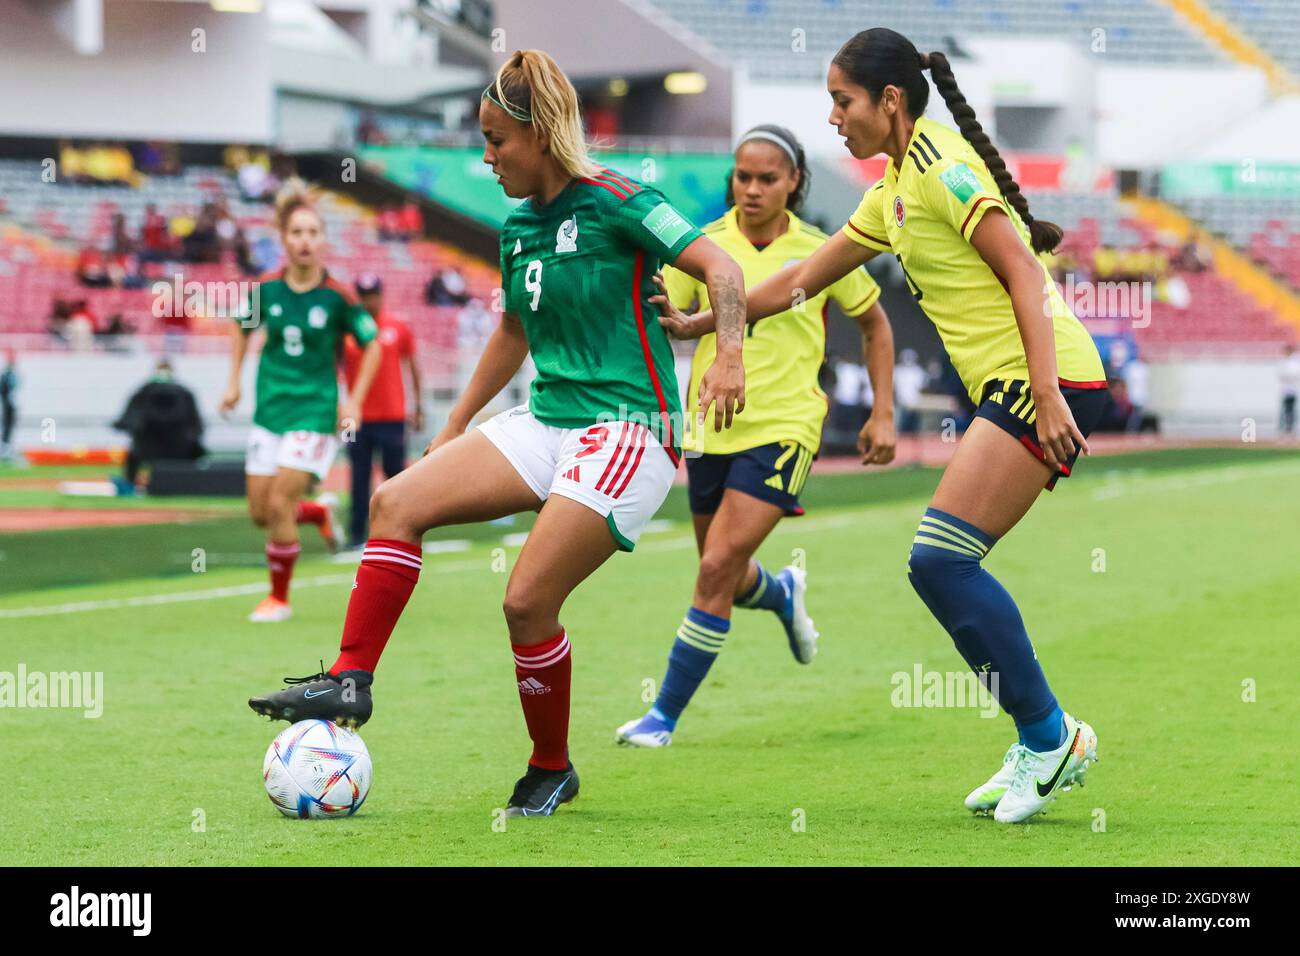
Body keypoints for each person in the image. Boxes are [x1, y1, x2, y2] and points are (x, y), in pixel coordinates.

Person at [247, 48, 748, 817]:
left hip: (629, 431)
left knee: (525, 601)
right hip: (549, 420)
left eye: (496, 141)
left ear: (541, 134)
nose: (486, 157)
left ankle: (551, 768)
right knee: (394, 503)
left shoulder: (620, 200)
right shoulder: (516, 226)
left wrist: (729, 359)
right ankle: (350, 676)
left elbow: (721, 268)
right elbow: (514, 329)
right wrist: (454, 425)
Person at [657, 28, 1108, 824]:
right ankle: (1043, 736)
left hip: (1047, 378)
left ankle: (1049, 737)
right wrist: (704, 324)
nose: (833, 118)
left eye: (843, 101)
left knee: (940, 558)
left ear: (889, 102)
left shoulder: (943, 168)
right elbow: (798, 279)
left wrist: (1043, 390)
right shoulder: (892, 187)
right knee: (940, 563)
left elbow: (1025, 274)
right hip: (1017, 384)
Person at [616, 124, 895, 747]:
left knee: (715, 566)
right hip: (708, 429)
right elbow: (671, 319)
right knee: (726, 574)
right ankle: (782, 593)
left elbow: (875, 326)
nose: (752, 188)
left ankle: (662, 717)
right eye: (743, 176)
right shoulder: (706, 246)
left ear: (794, 181)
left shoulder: (822, 249)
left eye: (768, 178)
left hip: (787, 425)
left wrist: (884, 411)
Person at [220, 178, 383, 623]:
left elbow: (373, 345)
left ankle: (279, 598)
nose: (305, 241)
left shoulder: (338, 296)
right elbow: (240, 328)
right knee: (260, 512)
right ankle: (316, 513)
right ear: (284, 240)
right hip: (270, 410)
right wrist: (233, 382)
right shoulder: (266, 290)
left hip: (315, 413)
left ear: (323, 241)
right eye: (297, 233)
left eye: (313, 233)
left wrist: (353, 404)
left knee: (277, 504)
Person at [341, 273, 424, 548]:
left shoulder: (397, 328)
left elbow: (412, 366)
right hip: (358, 420)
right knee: (359, 477)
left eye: (373, 295)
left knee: (396, 474)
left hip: (392, 416)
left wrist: (418, 406)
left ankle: (405, 530)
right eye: (364, 296)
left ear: (381, 295)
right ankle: (356, 535)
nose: (369, 301)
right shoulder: (348, 334)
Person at [112, 359, 204, 487]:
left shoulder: (143, 392)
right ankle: (190, 484)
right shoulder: (184, 393)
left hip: (149, 448)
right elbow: (197, 425)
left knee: (133, 455)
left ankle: (129, 484)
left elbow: (128, 420)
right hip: (179, 448)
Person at [0, 351, 17, 461]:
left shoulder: (12, 375)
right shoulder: (6, 375)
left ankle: (6, 446)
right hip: (7, 404)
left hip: (10, 404)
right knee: (7, 426)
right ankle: (4, 447)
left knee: (9, 426)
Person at [1281, 345, 1300, 438]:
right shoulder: (1287, 361)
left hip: (1291, 390)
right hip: (1287, 390)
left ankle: (1290, 428)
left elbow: (1292, 375)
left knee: (1290, 410)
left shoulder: (1293, 362)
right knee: (1288, 410)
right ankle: (1288, 428)